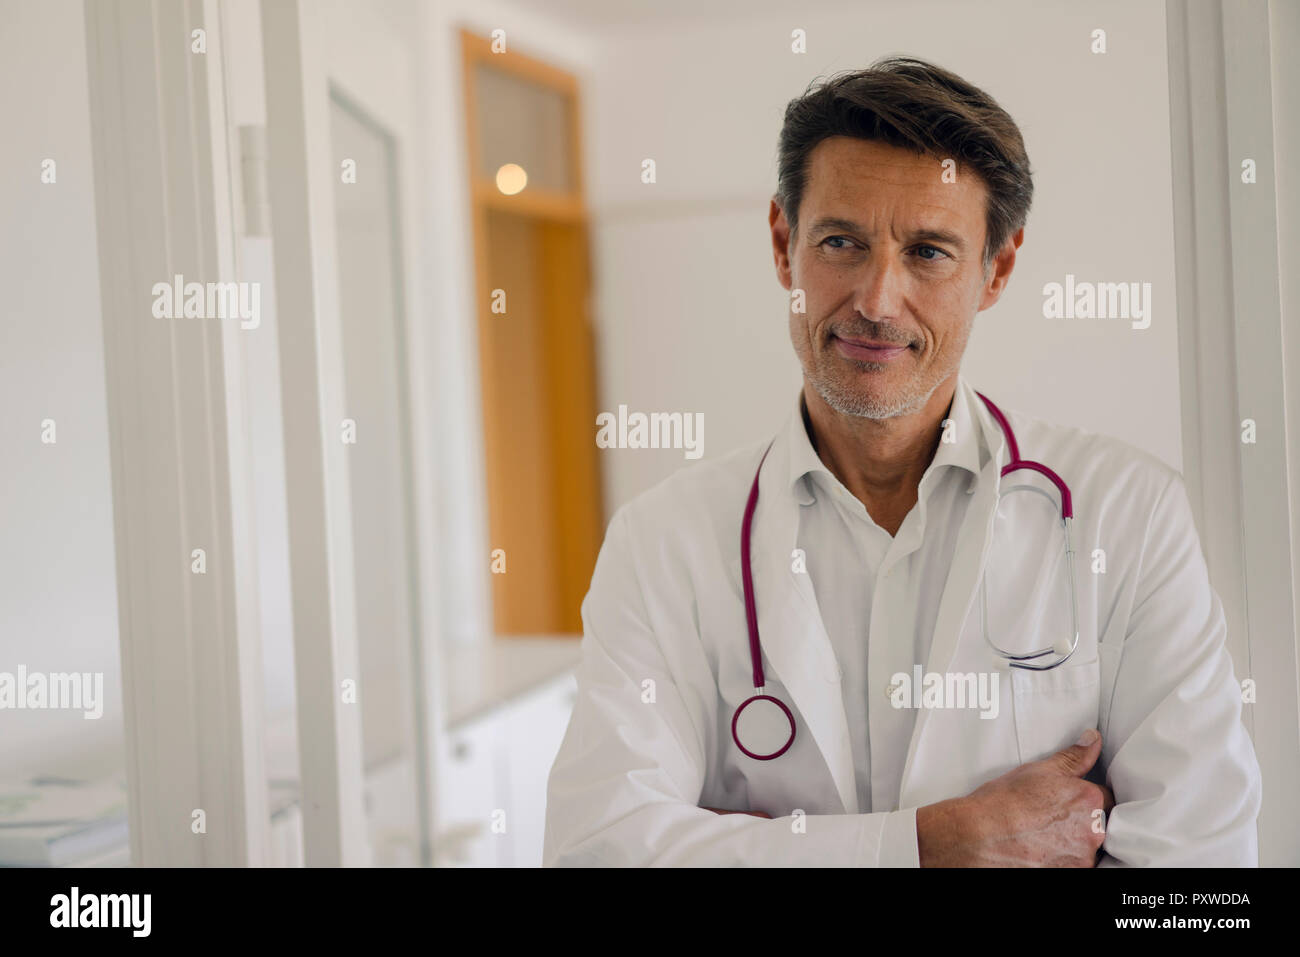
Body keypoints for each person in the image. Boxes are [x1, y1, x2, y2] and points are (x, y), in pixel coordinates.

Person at [543, 56, 1261, 867]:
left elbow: (1205, 884)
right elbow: (599, 849)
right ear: (785, 246)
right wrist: (926, 845)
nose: (879, 301)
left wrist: (741, 845)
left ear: (998, 268)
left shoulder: (1127, 516)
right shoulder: (662, 542)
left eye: (928, 252)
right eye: (841, 241)